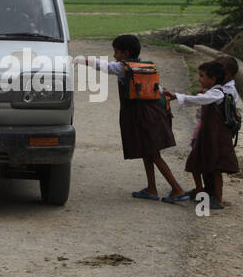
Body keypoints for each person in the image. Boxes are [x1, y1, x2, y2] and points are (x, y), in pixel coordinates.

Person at [76, 34, 187, 202]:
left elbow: (105, 66)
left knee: (154, 154)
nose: (114, 56)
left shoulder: (124, 68)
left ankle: (177, 189)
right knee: (147, 152)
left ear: (125, 53)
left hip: (141, 115)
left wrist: (82, 60)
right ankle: (151, 189)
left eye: (116, 52)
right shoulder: (146, 66)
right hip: (153, 113)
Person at [164, 61, 239, 209]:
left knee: (215, 167)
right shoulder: (211, 92)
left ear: (212, 79)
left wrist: (177, 96)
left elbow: (200, 100)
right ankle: (202, 191)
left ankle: (218, 199)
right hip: (206, 135)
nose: (199, 79)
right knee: (199, 163)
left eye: (202, 76)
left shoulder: (217, 93)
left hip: (215, 137)